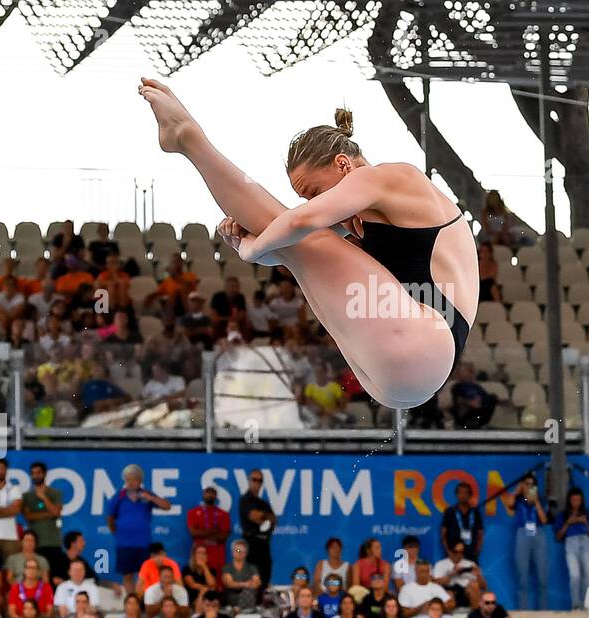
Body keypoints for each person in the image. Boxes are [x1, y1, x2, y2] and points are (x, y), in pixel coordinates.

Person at [138, 80, 476, 410]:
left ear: (343, 164)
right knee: (300, 251)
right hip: (404, 373)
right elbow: (288, 246)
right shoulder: (367, 215)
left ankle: (189, 139)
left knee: (305, 238)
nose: (312, 203)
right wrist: (248, 241)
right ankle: (187, 140)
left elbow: (299, 223)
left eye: (313, 192)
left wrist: (252, 250)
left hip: (424, 343)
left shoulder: (388, 176)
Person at [107, 464, 172, 591]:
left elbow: (167, 506)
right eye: (128, 480)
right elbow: (110, 518)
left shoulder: (147, 494)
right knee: (128, 576)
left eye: (134, 479)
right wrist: (118, 533)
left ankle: (144, 603)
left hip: (144, 544)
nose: (131, 483)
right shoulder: (118, 496)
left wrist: (151, 498)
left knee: (146, 575)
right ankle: (132, 603)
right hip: (124, 544)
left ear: (140, 481)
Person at [500, 474, 551, 610]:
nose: (529, 487)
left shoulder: (541, 499)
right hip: (522, 534)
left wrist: (536, 502)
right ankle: (523, 610)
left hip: (538, 534)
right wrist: (517, 491)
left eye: (531, 484)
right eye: (526, 484)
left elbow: (544, 520)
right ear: (522, 486)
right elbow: (509, 503)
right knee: (522, 575)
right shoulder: (517, 499)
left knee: (542, 577)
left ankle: (543, 610)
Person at [555, 486, 589, 610]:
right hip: (570, 544)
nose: (576, 503)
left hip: (585, 543)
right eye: (573, 500)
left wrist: (586, 523)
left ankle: (586, 605)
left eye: (578, 500)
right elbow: (558, 536)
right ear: (569, 501)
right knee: (574, 575)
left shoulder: (587, 513)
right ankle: (576, 605)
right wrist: (569, 522)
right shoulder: (563, 515)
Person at [237, 469, 276, 589]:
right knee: (251, 577)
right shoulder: (245, 500)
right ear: (249, 481)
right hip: (251, 543)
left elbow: (274, 521)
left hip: (264, 543)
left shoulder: (263, 503)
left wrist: (264, 518)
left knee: (265, 576)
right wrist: (266, 518)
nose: (257, 483)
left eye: (260, 480)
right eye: (254, 479)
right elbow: (254, 516)